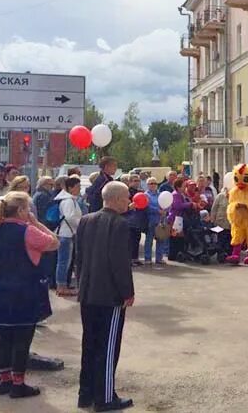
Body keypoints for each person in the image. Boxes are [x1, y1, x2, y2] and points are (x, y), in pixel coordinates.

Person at [0, 191, 60, 398]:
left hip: (0, 289)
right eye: (27, 208)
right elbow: (54, 242)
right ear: (20, 210)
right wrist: (36, 223)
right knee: (22, 338)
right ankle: (18, 384)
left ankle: (5, 380)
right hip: (26, 290)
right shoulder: (27, 231)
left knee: (3, 337)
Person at [75, 181, 135, 411]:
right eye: (127, 197)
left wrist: (82, 284)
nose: (129, 201)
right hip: (109, 295)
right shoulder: (119, 224)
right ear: (117, 199)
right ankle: (105, 397)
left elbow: (79, 258)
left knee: (90, 343)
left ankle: (86, 392)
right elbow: (120, 262)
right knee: (108, 348)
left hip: (88, 292)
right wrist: (127, 292)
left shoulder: (86, 220)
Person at [53, 177, 83, 296]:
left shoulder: (68, 199)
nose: (79, 189)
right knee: (64, 261)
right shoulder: (68, 201)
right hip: (66, 234)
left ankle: (62, 284)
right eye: (78, 187)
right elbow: (70, 217)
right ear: (70, 188)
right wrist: (80, 225)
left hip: (67, 233)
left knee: (65, 261)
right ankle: (61, 286)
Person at [167, 178, 193, 261]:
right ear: (178, 187)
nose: (184, 188)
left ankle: (177, 254)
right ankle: (173, 255)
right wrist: (190, 204)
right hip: (175, 219)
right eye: (183, 186)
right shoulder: (175, 195)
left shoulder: (180, 194)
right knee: (175, 238)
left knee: (178, 237)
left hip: (179, 218)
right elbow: (178, 206)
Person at [144, 177, 167, 265]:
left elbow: (166, 203)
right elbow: (147, 206)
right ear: (147, 185)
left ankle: (159, 258)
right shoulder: (146, 195)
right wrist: (158, 210)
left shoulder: (160, 194)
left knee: (161, 239)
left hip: (161, 220)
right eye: (151, 183)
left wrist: (165, 210)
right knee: (149, 240)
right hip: (151, 220)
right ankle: (147, 258)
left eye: (155, 183)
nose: (153, 185)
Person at [126, 175, 146, 266]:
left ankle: (135, 258)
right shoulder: (127, 192)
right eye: (135, 180)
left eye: (138, 181)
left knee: (137, 238)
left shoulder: (140, 192)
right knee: (130, 240)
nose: (137, 182)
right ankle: (129, 259)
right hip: (129, 219)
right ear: (130, 182)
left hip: (138, 218)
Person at [210, 186, 231, 257]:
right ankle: (220, 254)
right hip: (220, 222)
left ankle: (227, 254)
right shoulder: (220, 196)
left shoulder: (235, 197)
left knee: (228, 239)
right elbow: (214, 208)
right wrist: (212, 219)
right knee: (220, 238)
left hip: (230, 223)